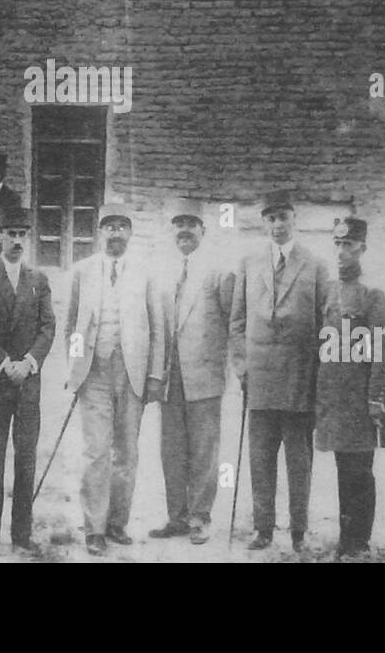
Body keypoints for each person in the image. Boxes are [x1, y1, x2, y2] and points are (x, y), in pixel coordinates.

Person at [229, 189, 330, 551]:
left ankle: (299, 530)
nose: (277, 225)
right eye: (270, 219)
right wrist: (242, 368)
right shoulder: (249, 262)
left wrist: (318, 374)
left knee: (298, 460)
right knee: (260, 457)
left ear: (294, 219)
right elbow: (236, 322)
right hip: (258, 378)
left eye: (283, 217)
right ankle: (263, 528)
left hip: (299, 376)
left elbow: (325, 324)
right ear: (264, 223)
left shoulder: (315, 264)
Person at [66, 203, 166, 556]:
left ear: (130, 233)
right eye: (109, 227)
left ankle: (116, 523)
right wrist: (74, 370)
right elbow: (72, 327)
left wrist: (155, 374)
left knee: (127, 451)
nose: (115, 233)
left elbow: (158, 328)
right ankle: (94, 527)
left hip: (133, 372)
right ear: (99, 232)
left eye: (122, 227)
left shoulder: (145, 273)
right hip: (94, 371)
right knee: (96, 451)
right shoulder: (83, 271)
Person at [0, 206, 54, 554]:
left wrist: (29, 363)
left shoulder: (39, 279)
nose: (17, 241)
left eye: (22, 234)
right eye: (11, 234)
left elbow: (48, 327)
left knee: (26, 458)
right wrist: (4, 363)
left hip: (28, 385)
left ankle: (22, 534)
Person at [149, 199, 234, 546]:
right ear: (172, 229)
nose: (184, 229)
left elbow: (233, 323)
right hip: (171, 377)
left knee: (203, 451)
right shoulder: (163, 273)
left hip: (204, 375)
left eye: (191, 223)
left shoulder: (218, 272)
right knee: (171, 451)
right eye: (179, 223)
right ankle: (177, 517)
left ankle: (200, 518)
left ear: (203, 229)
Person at [315, 217, 385, 558]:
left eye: (349, 245)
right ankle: (345, 538)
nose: (342, 252)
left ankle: (359, 541)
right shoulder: (329, 290)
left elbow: (382, 350)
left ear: (363, 248)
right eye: (338, 244)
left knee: (360, 471)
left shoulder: (372, 293)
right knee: (341, 469)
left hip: (360, 399)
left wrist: (374, 397)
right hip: (334, 397)